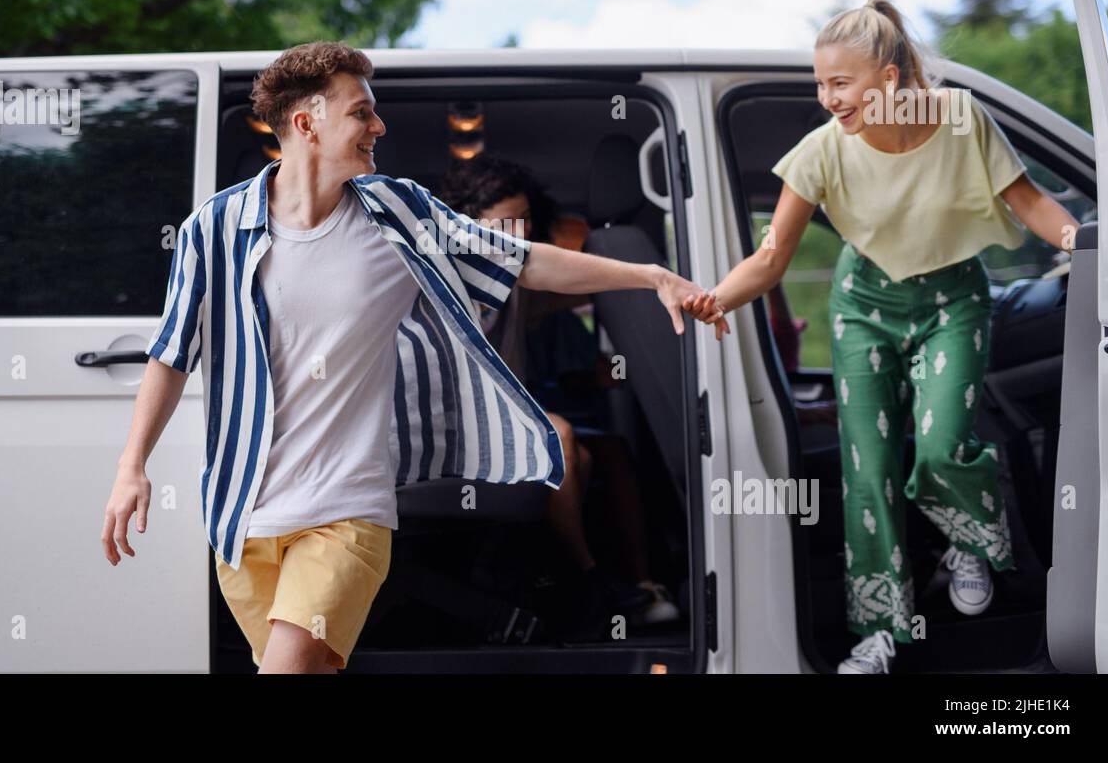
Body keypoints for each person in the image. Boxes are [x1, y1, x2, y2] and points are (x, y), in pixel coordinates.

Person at [101, 41, 714, 673]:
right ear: (307, 124)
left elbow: (523, 262)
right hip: (242, 513)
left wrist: (647, 276)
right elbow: (173, 352)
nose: (378, 126)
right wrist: (132, 465)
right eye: (361, 113)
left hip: (346, 510)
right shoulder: (214, 227)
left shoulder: (398, 215)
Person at [684, 0, 1080, 674]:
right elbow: (772, 256)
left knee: (941, 445)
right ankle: (881, 633)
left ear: (888, 79)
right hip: (862, 305)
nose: (827, 98)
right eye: (821, 84)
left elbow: (1030, 203)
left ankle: (968, 540)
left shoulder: (960, 120)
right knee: (867, 471)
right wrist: (713, 298)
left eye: (840, 83)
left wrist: (1091, 248)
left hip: (952, 299)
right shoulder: (820, 152)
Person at [439, 154, 682, 631]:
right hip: (448, 427)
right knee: (561, 436)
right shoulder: (445, 274)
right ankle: (586, 580)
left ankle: (595, 582)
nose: (520, 232)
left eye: (526, 218)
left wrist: (656, 277)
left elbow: (566, 273)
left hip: (497, 418)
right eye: (506, 221)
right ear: (468, 224)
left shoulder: (517, 276)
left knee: (593, 456)